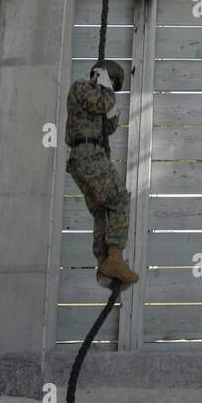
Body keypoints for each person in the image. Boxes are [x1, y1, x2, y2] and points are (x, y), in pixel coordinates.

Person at [65, 61, 139, 285]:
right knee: (118, 198)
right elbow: (103, 101)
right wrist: (106, 90)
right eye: (112, 81)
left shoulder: (98, 98)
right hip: (88, 154)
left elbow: (109, 128)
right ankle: (115, 258)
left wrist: (113, 111)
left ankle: (104, 264)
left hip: (87, 156)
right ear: (102, 76)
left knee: (101, 210)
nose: (112, 86)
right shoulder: (82, 88)